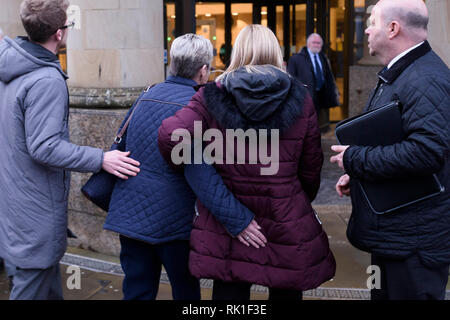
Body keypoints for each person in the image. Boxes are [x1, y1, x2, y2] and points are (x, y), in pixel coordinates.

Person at [158, 24, 336, 300]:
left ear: (237, 52)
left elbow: (170, 136)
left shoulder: (212, 95)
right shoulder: (301, 98)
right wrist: (294, 198)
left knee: (230, 294)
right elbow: (312, 166)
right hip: (284, 215)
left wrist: (199, 161)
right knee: (286, 289)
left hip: (229, 220)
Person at [105, 33, 265, 300]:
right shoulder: (200, 107)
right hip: (176, 221)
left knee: (136, 292)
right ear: (203, 71)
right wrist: (238, 220)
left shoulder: (145, 95)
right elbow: (203, 173)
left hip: (131, 214)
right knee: (186, 295)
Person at [0, 0, 140, 300]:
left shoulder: (13, 67)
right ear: (59, 34)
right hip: (34, 211)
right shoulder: (46, 79)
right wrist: (101, 159)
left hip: (17, 205)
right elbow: (44, 147)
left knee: (43, 281)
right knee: (32, 282)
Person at [330, 0, 449, 300]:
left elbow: (426, 152)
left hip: (413, 244)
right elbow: (397, 141)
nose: (366, 29)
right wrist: (359, 177)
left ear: (393, 28)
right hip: (399, 237)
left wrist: (355, 159)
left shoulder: (425, 78)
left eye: (372, 21)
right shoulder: (406, 73)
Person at [287, 33, 340, 120]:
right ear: (308, 44)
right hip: (304, 97)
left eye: (318, 43)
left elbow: (328, 76)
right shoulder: (296, 59)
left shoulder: (323, 57)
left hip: (320, 96)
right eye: (314, 42)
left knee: (317, 121)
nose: (316, 45)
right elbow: (291, 79)